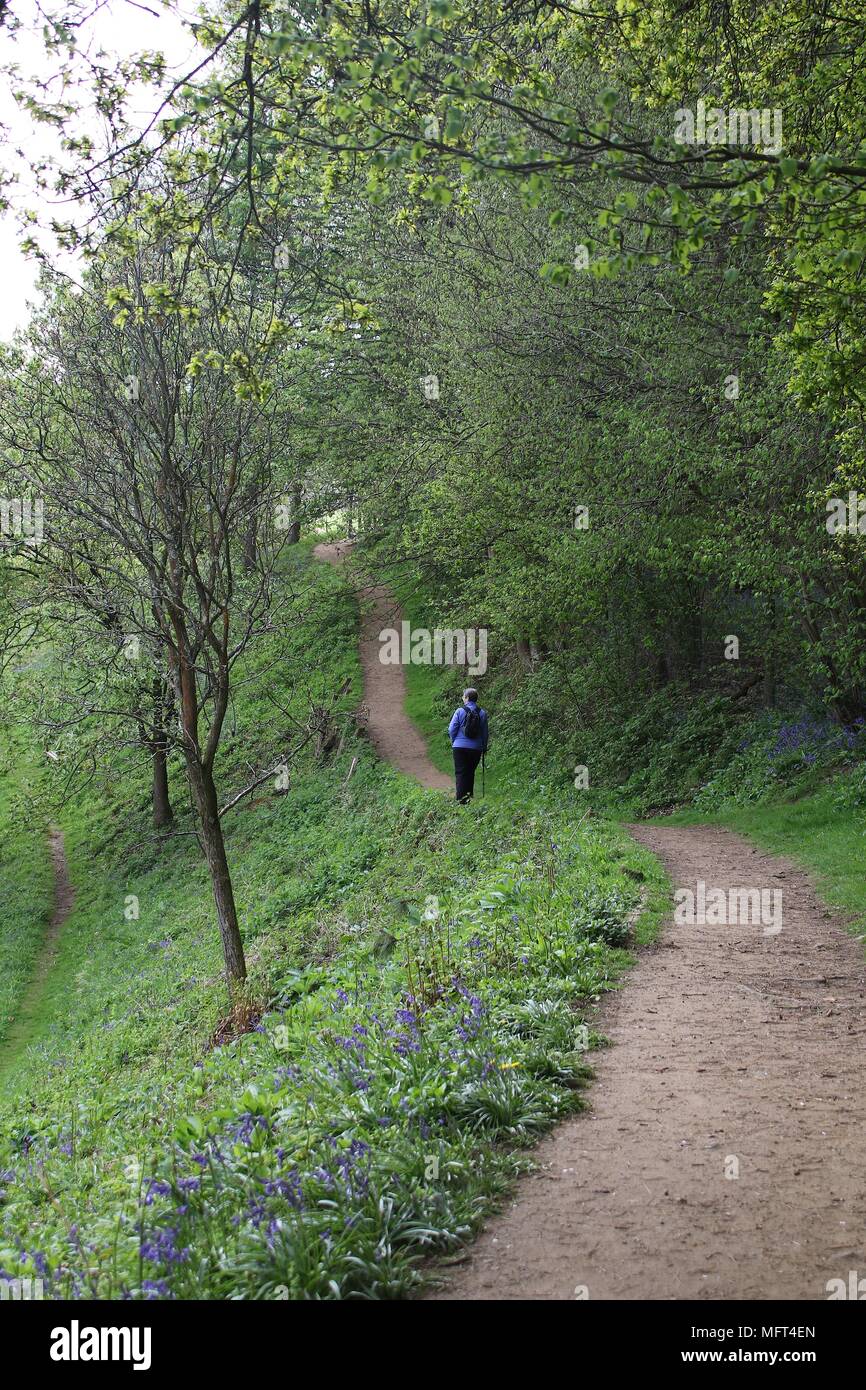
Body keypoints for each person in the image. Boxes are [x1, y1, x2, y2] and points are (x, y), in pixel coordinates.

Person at [448, 687, 489, 803]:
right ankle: (468, 799)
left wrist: (454, 741)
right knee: (470, 773)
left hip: (459, 747)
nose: (462, 698)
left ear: (466, 698)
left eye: (463, 696)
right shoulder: (482, 713)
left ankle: (461, 801)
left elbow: (452, 729)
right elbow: (485, 733)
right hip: (476, 748)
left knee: (461, 773)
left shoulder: (460, 711)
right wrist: (484, 747)